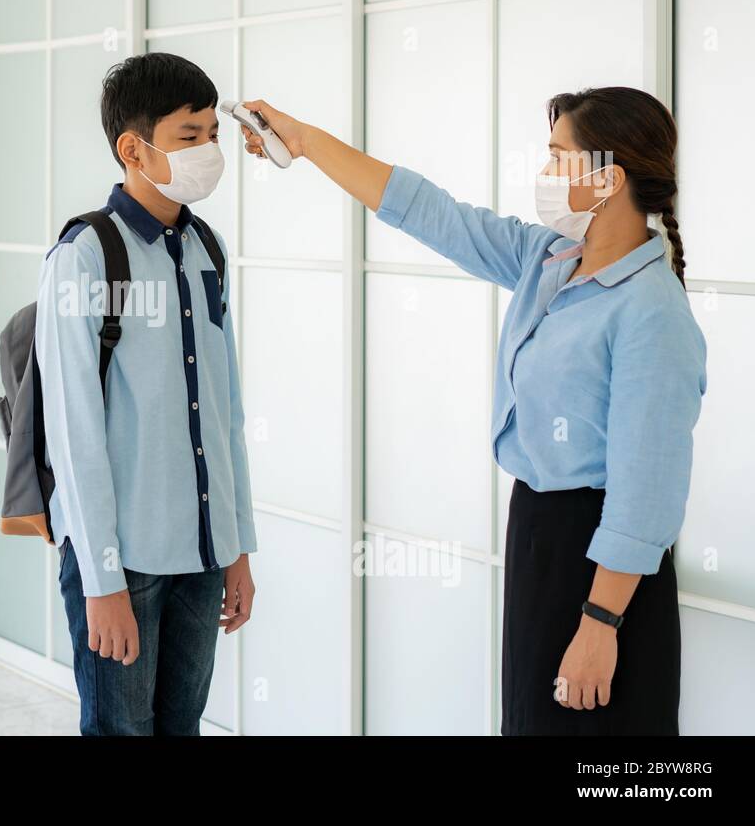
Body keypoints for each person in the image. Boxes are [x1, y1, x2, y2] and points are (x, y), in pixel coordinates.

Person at [239, 87, 706, 735]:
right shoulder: (549, 259)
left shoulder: (651, 310)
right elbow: (430, 212)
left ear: (608, 179)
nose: (543, 174)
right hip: (538, 532)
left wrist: (600, 624)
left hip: (603, 563)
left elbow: (646, 495)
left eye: (557, 157)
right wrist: (306, 140)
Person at [36, 52, 258, 735]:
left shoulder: (206, 249)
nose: (210, 150)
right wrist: (102, 581)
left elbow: (226, 414)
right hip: (122, 558)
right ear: (134, 148)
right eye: (190, 136)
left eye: (212, 133)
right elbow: (73, 431)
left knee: (180, 727)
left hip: (200, 554)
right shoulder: (86, 255)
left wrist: (237, 543)